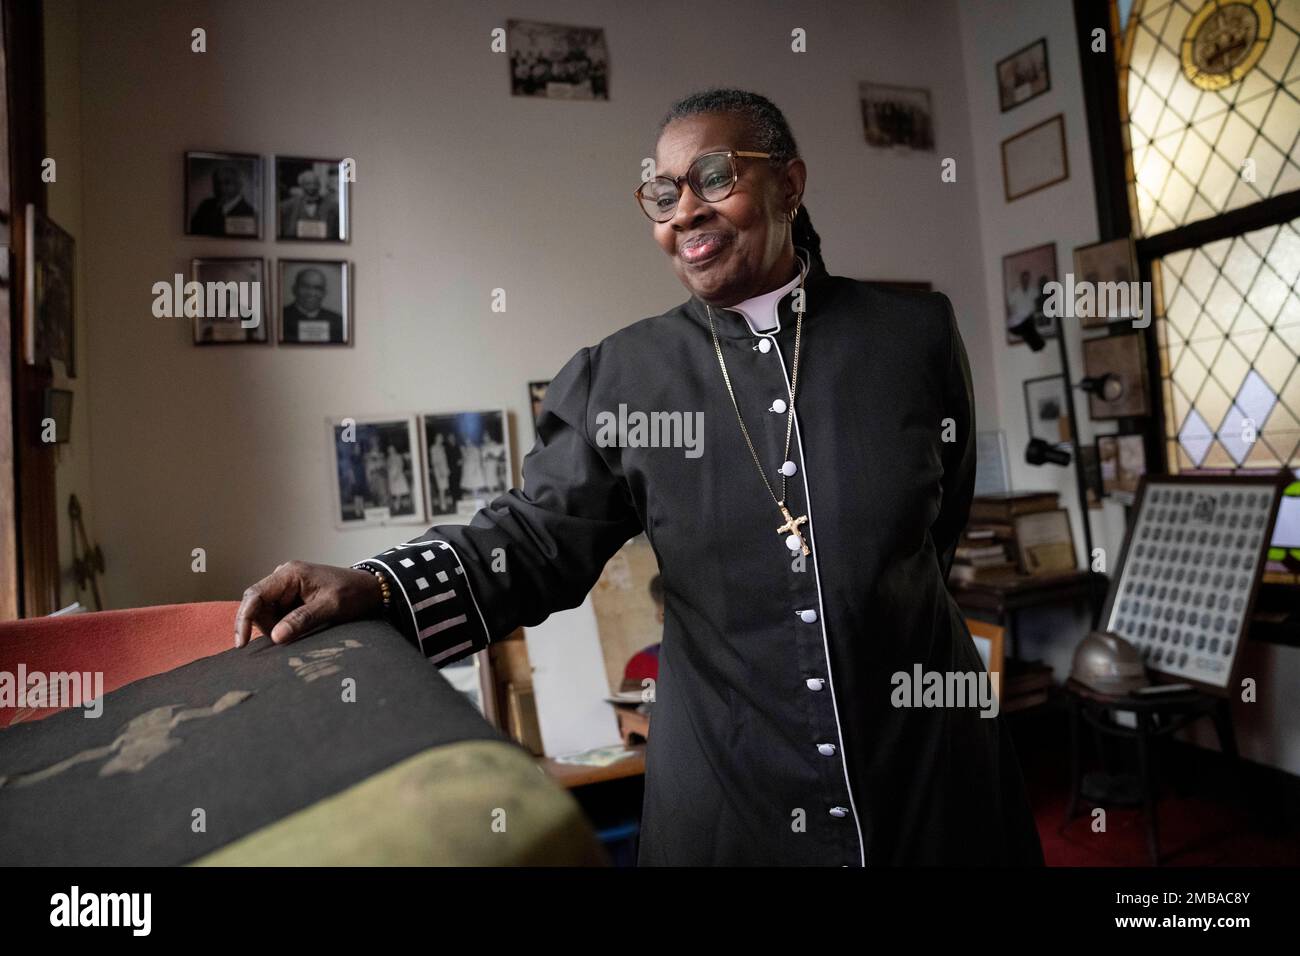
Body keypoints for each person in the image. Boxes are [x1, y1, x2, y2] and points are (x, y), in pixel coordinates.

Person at [236, 88, 1044, 867]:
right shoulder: (625, 375)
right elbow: (532, 539)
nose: (684, 210)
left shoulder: (913, 339)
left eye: (715, 178)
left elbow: (935, 532)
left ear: (790, 183)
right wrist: (377, 589)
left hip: (932, 774)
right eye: (662, 193)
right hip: (732, 796)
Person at [189, 163, 258, 236]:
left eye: (227, 183)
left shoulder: (249, 213)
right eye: (218, 183)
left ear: (239, 185)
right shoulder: (205, 205)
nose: (221, 187)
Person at [281, 268, 344, 343]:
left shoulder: (338, 321)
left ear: (324, 293)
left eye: (317, 288)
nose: (311, 293)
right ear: (294, 289)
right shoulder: (282, 317)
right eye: (305, 286)